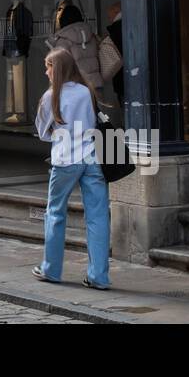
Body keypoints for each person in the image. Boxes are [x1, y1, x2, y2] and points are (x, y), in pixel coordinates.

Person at [32, 46, 111, 290]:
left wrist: (58, 132)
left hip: (65, 160)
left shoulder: (50, 97)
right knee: (98, 216)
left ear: (58, 69)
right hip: (92, 159)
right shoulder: (86, 92)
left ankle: (51, 269)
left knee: (55, 213)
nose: (46, 72)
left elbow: (42, 133)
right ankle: (99, 276)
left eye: (48, 67)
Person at [48, 3, 104, 94]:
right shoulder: (91, 35)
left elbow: (60, 65)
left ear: (63, 19)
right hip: (96, 84)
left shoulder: (63, 40)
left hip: (76, 87)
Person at [103, 3, 124, 103]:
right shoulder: (126, 26)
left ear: (116, 12)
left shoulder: (116, 29)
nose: (109, 18)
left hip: (122, 77)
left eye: (109, 15)